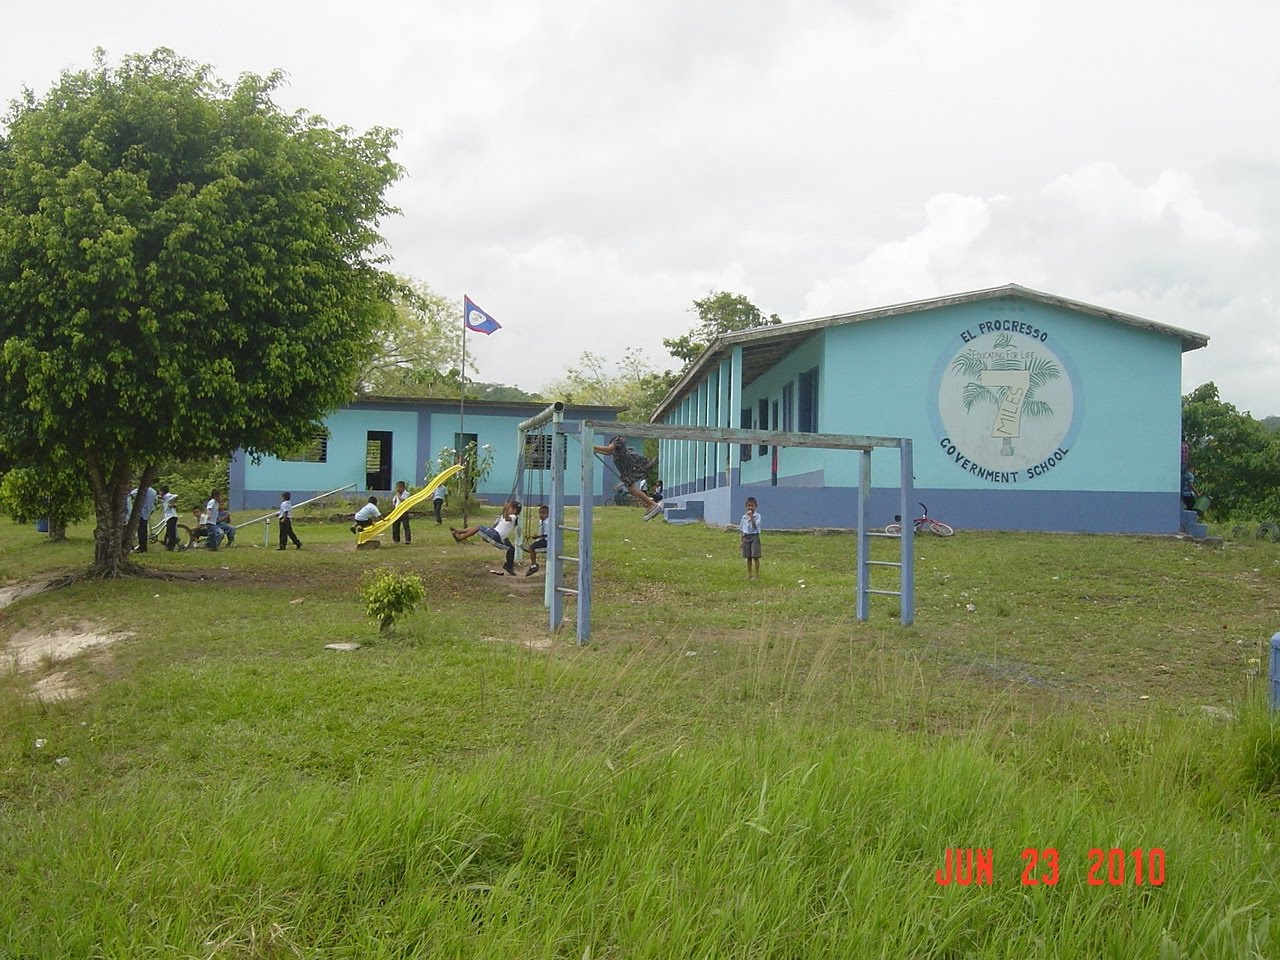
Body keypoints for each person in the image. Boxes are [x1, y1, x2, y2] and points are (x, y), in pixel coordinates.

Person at [594, 435, 663, 520]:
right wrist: (595, 450)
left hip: (627, 466)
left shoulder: (618, 439)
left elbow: (609, 449)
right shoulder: (614, 441)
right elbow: (608, 452)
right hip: (624, 468)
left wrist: (592, 446)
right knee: (631, 489)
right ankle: (650, 503)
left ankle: (652, 504)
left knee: (632, 488)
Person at [451, 501, 521, 574]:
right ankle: (459, 531)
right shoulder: (510, 517)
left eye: (509, 508)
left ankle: (460, 537)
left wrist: (506, 509)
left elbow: (507, 518)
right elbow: (504, 517)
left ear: (514, 510)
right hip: (494, 533)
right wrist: (505, 508)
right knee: (478, 527)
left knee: (478, 528)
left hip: (495, 535)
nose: (508, 509)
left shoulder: (513, 517)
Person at [128, 482, 157, 553]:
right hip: (148, 512)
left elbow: (131, 494)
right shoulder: (154, 491)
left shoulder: (141, 490)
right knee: (144, 530)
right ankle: (143, 546)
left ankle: (142, 548)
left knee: (141, 531)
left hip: (141, 512)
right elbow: (156, 501)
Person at [523, 504, 549, 576]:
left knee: (531, 547)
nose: (541, 515)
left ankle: (533, 565)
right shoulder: (542, 521)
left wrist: (537, 537)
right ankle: (533, 562)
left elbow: (546, 534)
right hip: (543, 540)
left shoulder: (547, 522)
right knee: (532, 547)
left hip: (546, 541)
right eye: (540, 513)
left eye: (543, 513)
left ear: (548, 514)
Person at [740, 496, 762, 580]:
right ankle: (749, 574)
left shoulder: (758, 516)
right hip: (746, 537)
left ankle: (756, 574)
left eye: (752, 506)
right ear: (746, 506)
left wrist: (752, 517)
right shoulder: (744, 517)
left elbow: (755, 526)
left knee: (755, 556)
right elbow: (742, 529)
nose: (750, 507)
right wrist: (741, 541)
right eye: (748, 505)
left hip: (754, 537)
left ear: (755, 506)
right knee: (748, 557)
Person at [159, 486, 179, 551]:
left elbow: (176, 496)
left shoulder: (168, 496)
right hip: (169, 516)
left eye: (160, 491)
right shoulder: (165, 497)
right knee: (169, 531)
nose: (160, 493)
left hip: (171, 516)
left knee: (171, 532)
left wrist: (172, 503)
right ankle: (167, 544)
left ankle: (172, 545)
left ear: (163, 491)